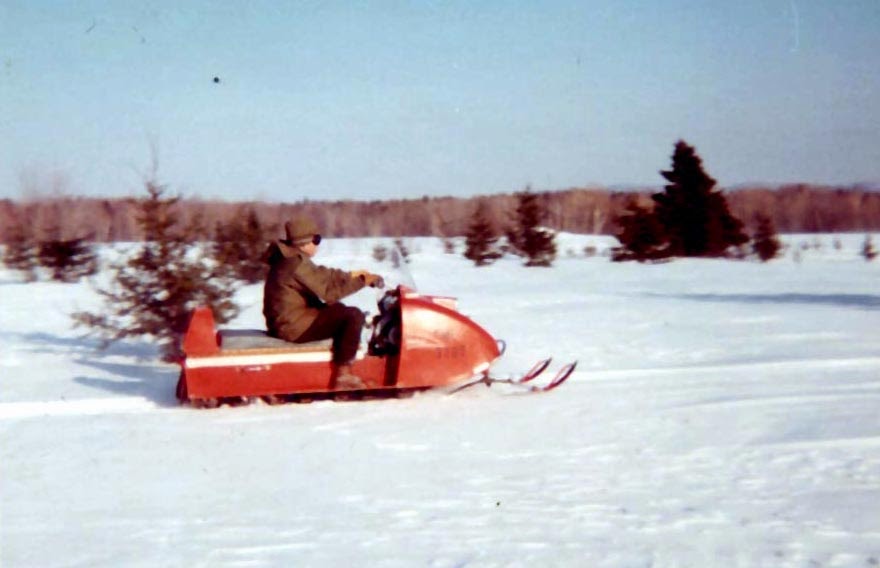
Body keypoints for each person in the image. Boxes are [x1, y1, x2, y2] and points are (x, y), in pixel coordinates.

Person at [263, 215, 382, 389]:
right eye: (316, 239)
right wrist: (361, 282)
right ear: (304, 243)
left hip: (287, 321)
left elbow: (323, 275)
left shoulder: (290, 259)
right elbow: (329, 292)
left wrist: (353, 275)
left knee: (338, 310)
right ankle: (344, 376)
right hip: (293, 327)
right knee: (352, 316)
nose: (318, 244)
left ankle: (343, 362)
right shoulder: (295, 264)